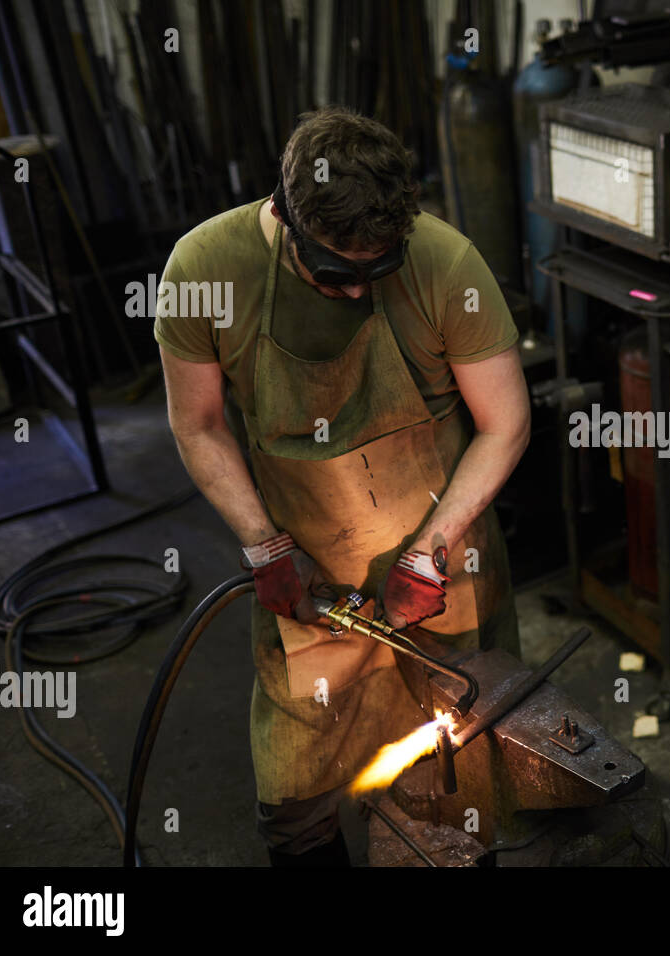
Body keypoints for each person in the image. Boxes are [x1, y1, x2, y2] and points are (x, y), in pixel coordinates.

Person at [153, 106, 529, 866]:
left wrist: (431, 549)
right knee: (298, 801)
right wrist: (264, 546)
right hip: (307, 581)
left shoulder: (446, 265)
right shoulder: (204, 271)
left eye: (377, 271)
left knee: (458, 778)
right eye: (335, 273)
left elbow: (506, 423)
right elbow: (198, 425)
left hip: (441, 569)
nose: (358, 292)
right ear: (284, 216)